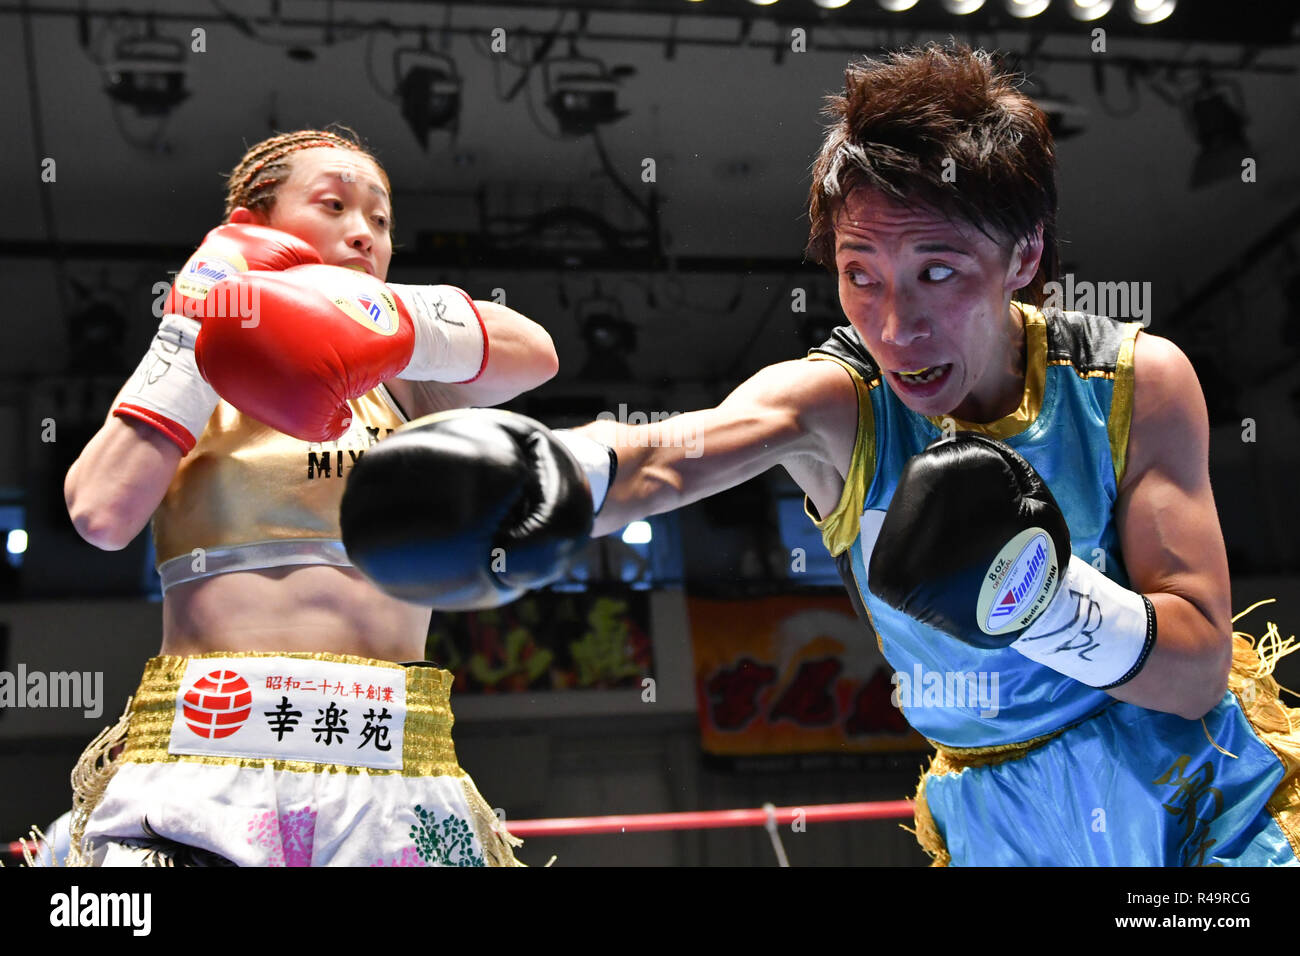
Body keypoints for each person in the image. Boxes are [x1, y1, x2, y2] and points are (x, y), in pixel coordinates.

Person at [345, 44, 1300, 866]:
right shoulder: (841, 401)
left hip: (1197, 790)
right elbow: (676, 453)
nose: (895, 323)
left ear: (1024, 257)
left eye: (937, 273)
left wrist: (1036, 599)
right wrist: (553, 475)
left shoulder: (1132, 381)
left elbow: (1193, 672)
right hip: (999, 820)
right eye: (859, 274)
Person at [62, 126, 560, 866]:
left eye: (382, 220)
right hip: (209, 756)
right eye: (334, 205)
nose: (364, 235)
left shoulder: (403, 381)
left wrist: (387, 319)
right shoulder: (192, 368)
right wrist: (197, 326)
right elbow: (101, 514)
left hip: (394, 761)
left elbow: (536, 354)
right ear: (254, 227)